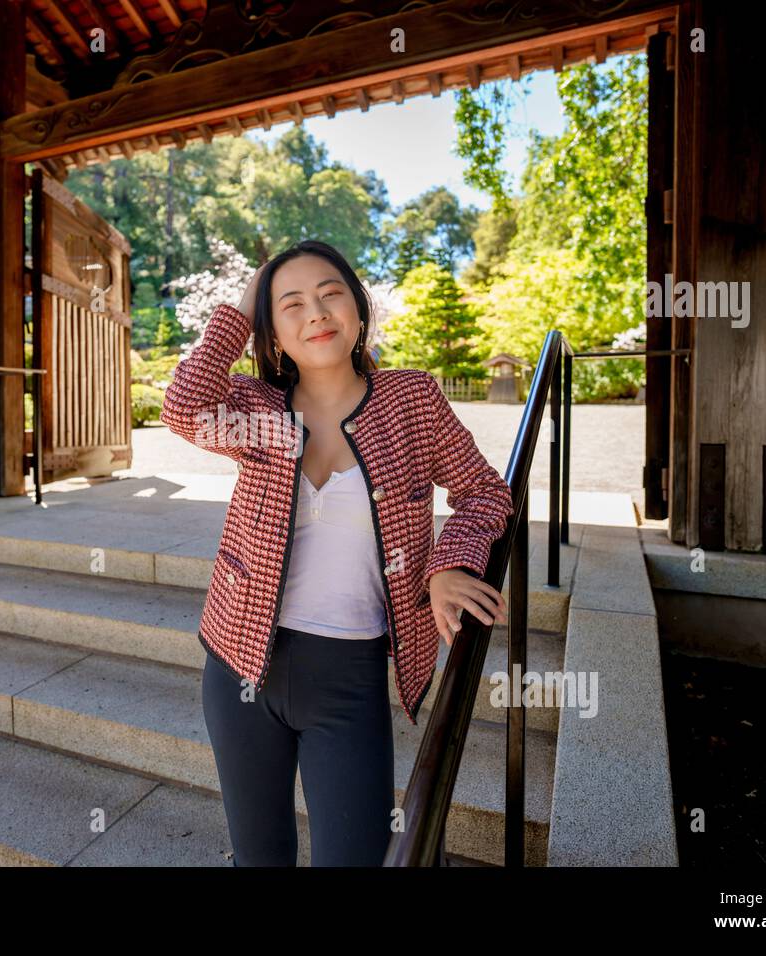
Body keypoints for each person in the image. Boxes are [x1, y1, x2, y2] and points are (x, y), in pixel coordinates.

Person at [160, 239, 512, 866]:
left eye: (330, 294)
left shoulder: (411, 401)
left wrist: (447, 564)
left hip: (350, 673)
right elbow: (183, 406)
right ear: (271, 332)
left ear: (357, 308)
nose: (315, 313)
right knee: (258, 858)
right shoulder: (256, 408)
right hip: (239, 667)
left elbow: (485, 492)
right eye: (290, 304)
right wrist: (244, 307)